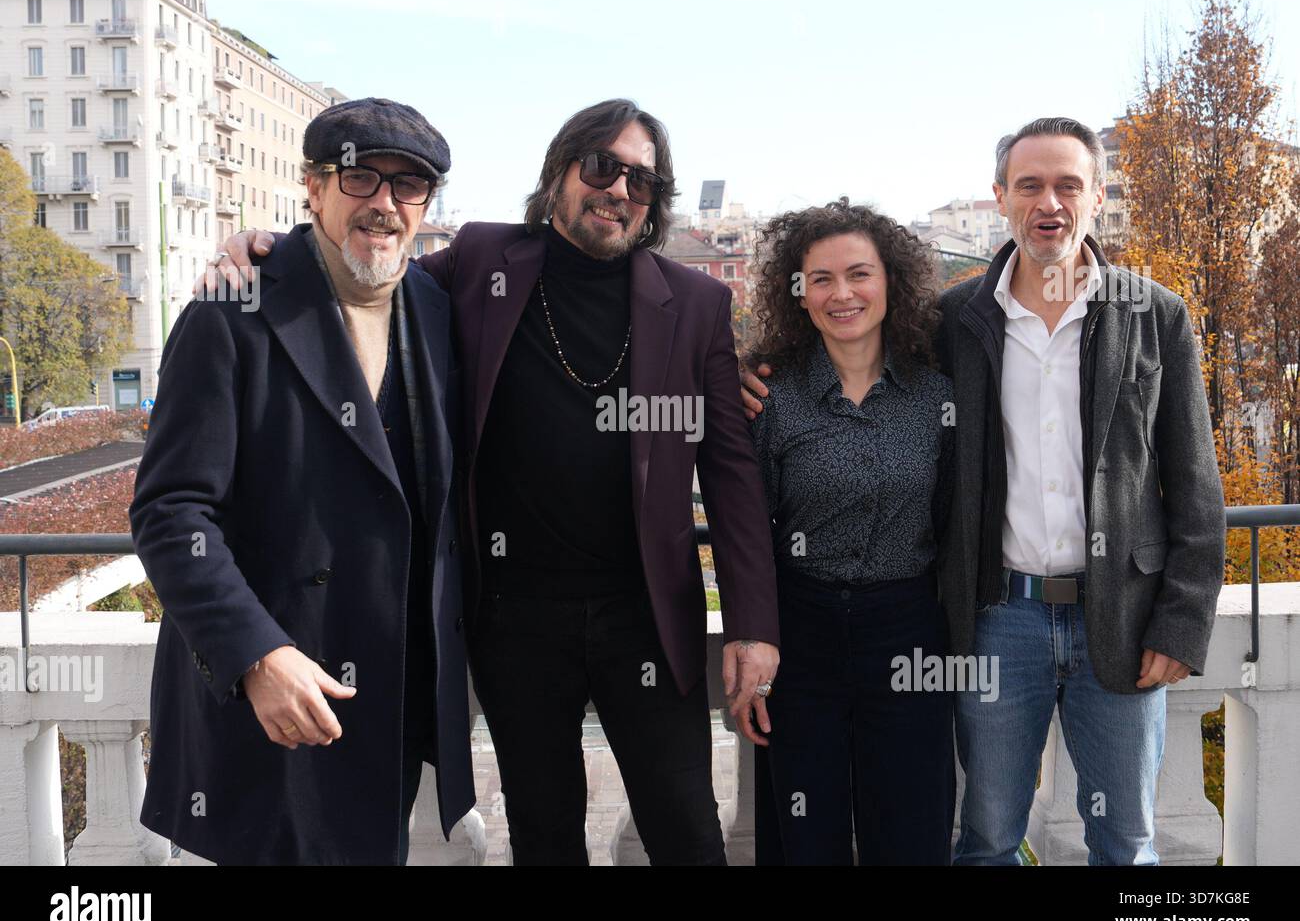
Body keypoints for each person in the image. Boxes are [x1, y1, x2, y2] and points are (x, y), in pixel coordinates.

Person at [206, 99, 780, 866]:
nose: (619, 189)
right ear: (557, 175)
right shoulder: (482, 261)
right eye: (602, 166)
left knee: (687, 831)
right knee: (543, 835)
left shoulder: (698, 301)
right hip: (514, 618)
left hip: (645, 615)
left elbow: (733, 476)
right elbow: (369, 266)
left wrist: (753, 621)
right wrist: (266, 249)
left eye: (641, 180)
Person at [743, 118, 1226, 866]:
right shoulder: (956, 319)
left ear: (1098, 195)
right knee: (987, 836)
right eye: (1029, 184)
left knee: (1127, 840)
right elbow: (853, 339)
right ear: (1000, 196)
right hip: (999, 620)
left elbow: (1196, 482)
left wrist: (1182, 622)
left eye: (1069, 184)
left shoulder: (1154, 314)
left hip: (1125, 620)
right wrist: (761, 372)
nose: (1050, 202)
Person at [131, 98, 473, 864]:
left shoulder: (437, 308)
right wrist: (257, 654)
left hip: (386, 710)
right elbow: (169, 509)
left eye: (410, 184)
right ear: (313, 188)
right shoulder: (233, 305)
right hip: (272, 706)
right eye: (360, 177)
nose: (384, 202)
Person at [745, 202, 955, 864]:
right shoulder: (768, 396)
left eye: (859, 274)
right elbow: (745, 528)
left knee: (914, 831)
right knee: (804, 835)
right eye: (821, 279)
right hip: (799, 634)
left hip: (909, 629)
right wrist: (754, 641)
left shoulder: (937, 392)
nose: (842, 294)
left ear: (891, 281)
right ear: (797, 293)